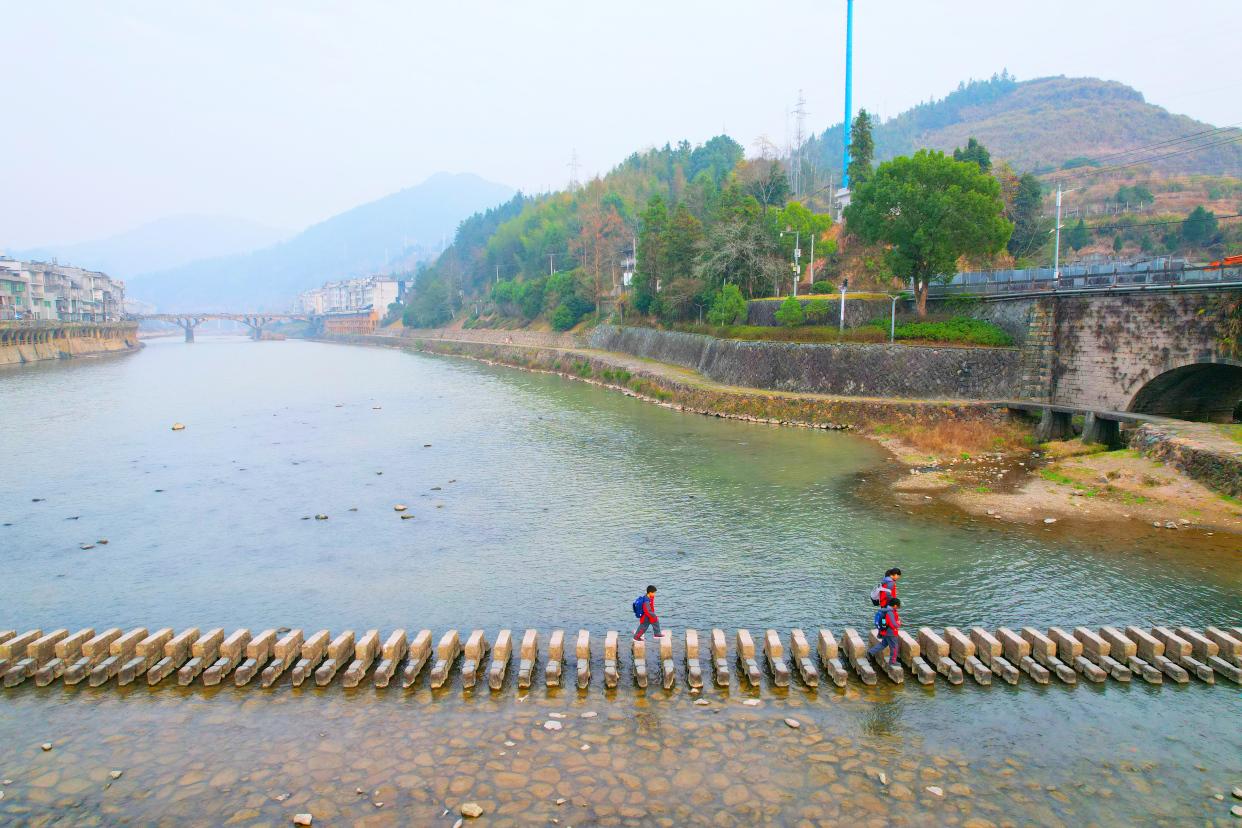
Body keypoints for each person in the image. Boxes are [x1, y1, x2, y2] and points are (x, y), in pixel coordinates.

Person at [866, 597, 901, 665]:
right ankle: (892, 662)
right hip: (891, 633)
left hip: (885, 631)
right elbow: (893, 624)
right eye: (898, 606)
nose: (898, 608)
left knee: (883, 644)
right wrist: (899, 623)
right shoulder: (890, 612)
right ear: (895, 606)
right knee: (894, 647)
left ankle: (870, 652)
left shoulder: (885, 610)